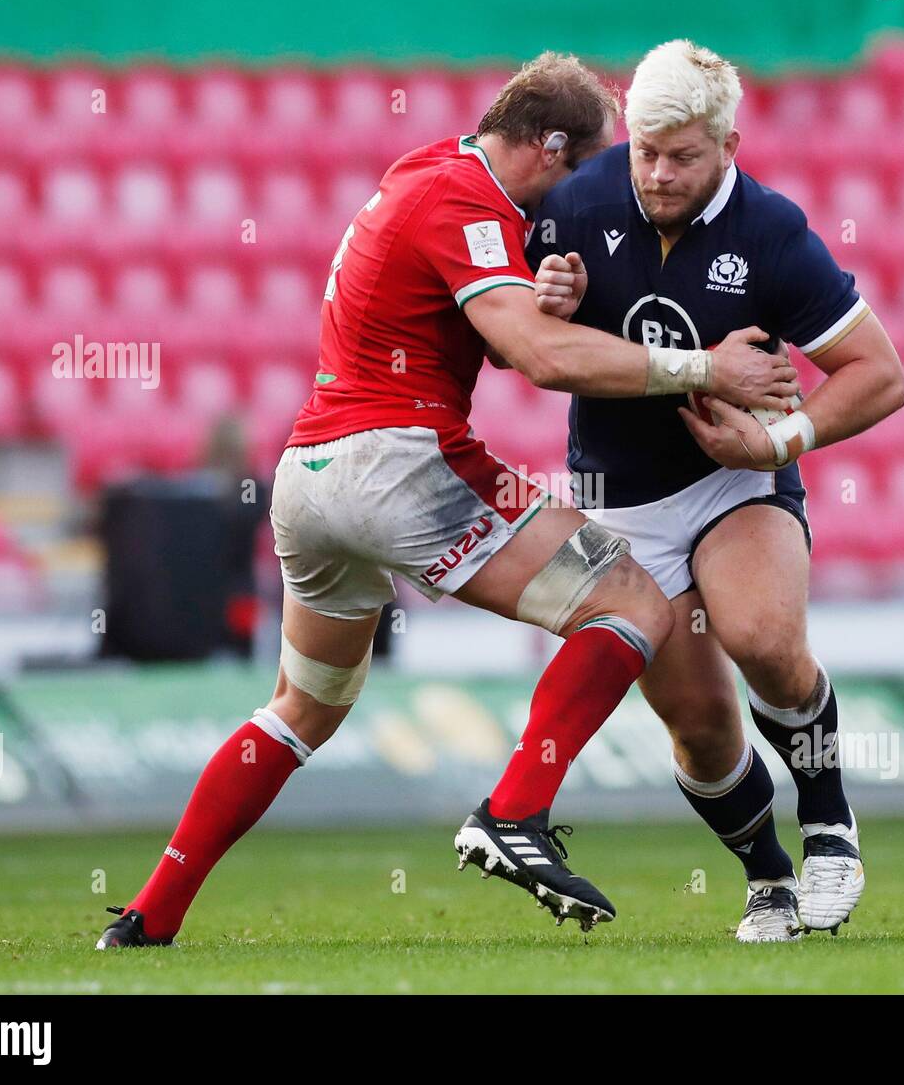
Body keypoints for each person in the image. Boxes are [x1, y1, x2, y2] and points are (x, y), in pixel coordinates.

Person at [97, 52, 796, 947]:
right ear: (551, 146)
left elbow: (501, 332)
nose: (580, 205)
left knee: (301, 706)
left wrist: (555, 297)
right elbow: (540, 360)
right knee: (632, 600)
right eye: (584, 174)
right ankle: (513, 811)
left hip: (310, 475)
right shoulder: (461, 200)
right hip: (403, 458)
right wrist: (705, 366)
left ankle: (153, 913)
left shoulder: (422, 171)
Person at [528, 40, 904, 941]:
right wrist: (545, 299)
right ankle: (768, 877)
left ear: (730, 145)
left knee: (763, 635)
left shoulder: (771, 231)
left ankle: (828, 825)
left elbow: (879, 374)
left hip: (732, 478)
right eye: (645, 150)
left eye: (683, 156)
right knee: (698, 725)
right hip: (618, 497)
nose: (656, 174)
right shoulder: (575, 203)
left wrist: (777, 437)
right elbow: (526, 348)